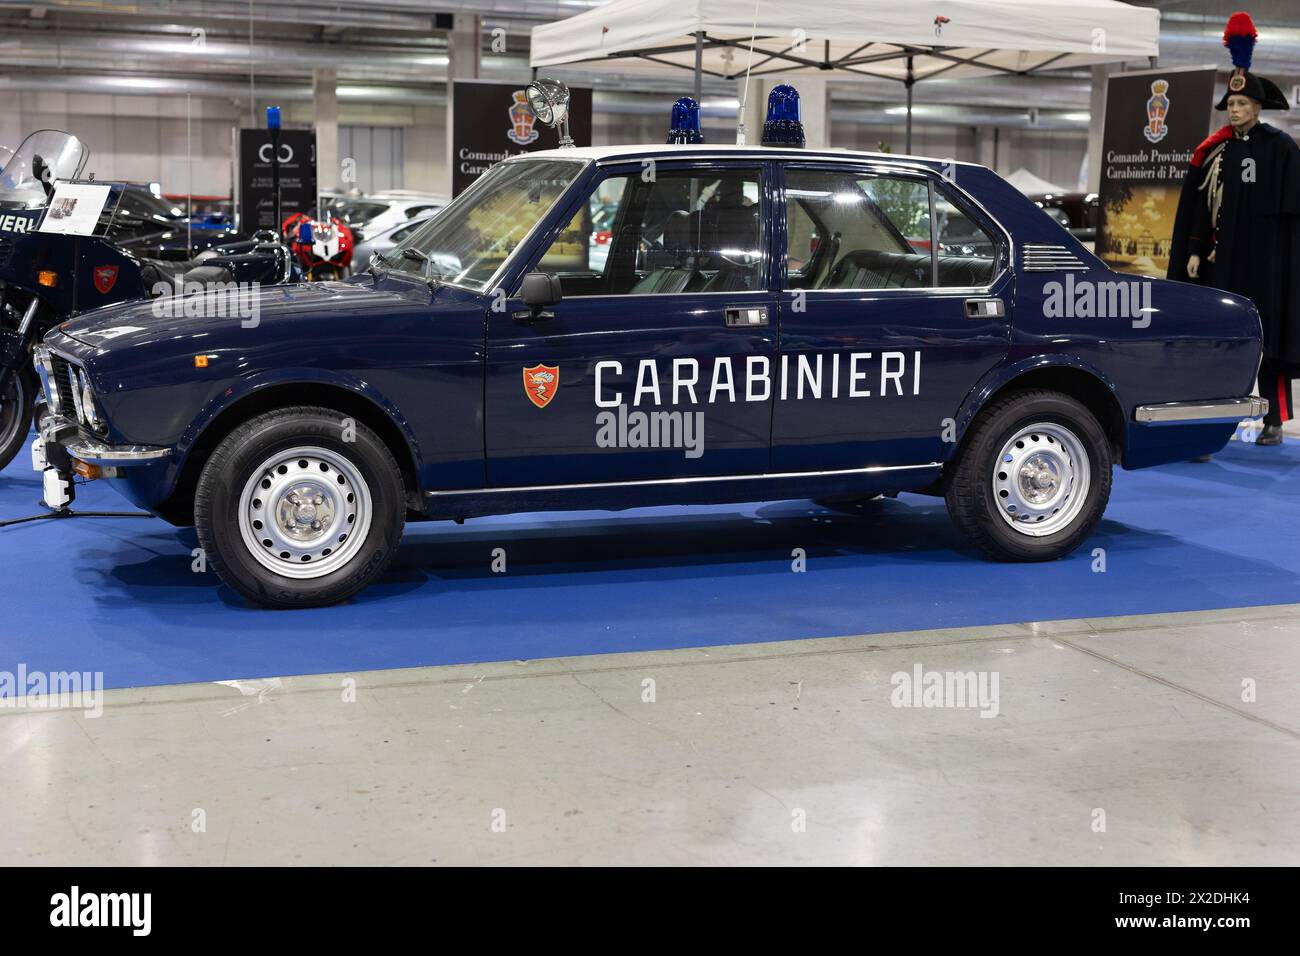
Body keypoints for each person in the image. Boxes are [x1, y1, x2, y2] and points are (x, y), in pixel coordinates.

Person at [1168, 11, 1300, 446]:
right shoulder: (1213, 151)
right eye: (1232, 105)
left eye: (1243, 104)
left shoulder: (1282, 149)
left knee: (1270, 342)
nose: (1237, 110)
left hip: (1267, 266)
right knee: (1220, 342)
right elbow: (1199, 210)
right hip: (1220, 264)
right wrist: (1191, 249)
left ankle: (1275, 419)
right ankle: (1211, 424)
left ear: (1258, 107)